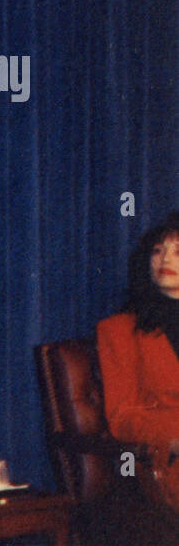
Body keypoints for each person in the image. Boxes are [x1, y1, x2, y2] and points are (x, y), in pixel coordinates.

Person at [97, 211, 179, 510]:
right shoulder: (118, 330)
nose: (165, 259)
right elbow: (122, 418)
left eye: (178, 251)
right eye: (158, 251)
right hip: (164, 463)